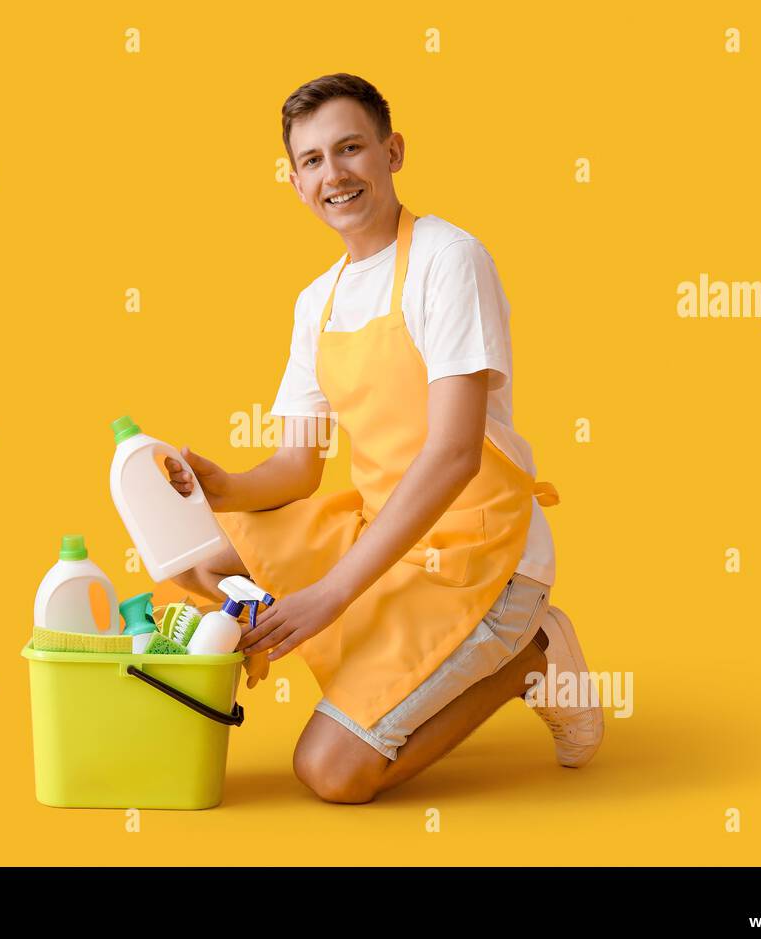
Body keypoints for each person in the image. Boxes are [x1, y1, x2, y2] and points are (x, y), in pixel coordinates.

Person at [166, 73, 602, 804]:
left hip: (480, 554)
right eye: (311, 160)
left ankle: (532, 654)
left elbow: (456, 454)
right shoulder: (318, 301)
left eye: (350, 149)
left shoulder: (447, 258)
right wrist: (222, 486)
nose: (332, 174)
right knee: (202, 551)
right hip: (389, 537)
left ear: (391, 152)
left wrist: (330, 596)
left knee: (333, 774)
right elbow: (297, 468)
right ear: (295, 179)